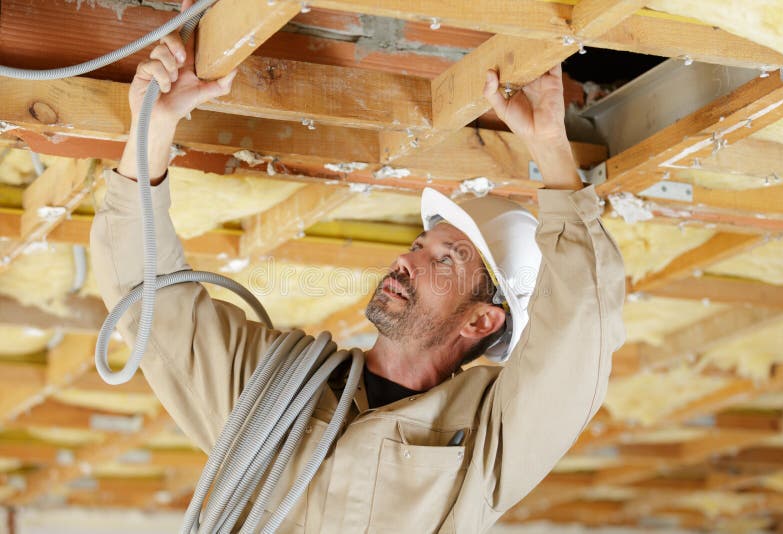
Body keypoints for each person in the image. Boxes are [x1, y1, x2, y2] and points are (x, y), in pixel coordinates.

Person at [90, 17, 626, 533]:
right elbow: (146, 303)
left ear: (482, 321)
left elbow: (580, 338)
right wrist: (152, 131)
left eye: (445, 259)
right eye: (419, 246)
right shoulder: (268, 387)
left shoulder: (486, 439)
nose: (405, 261)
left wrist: (552, 149)